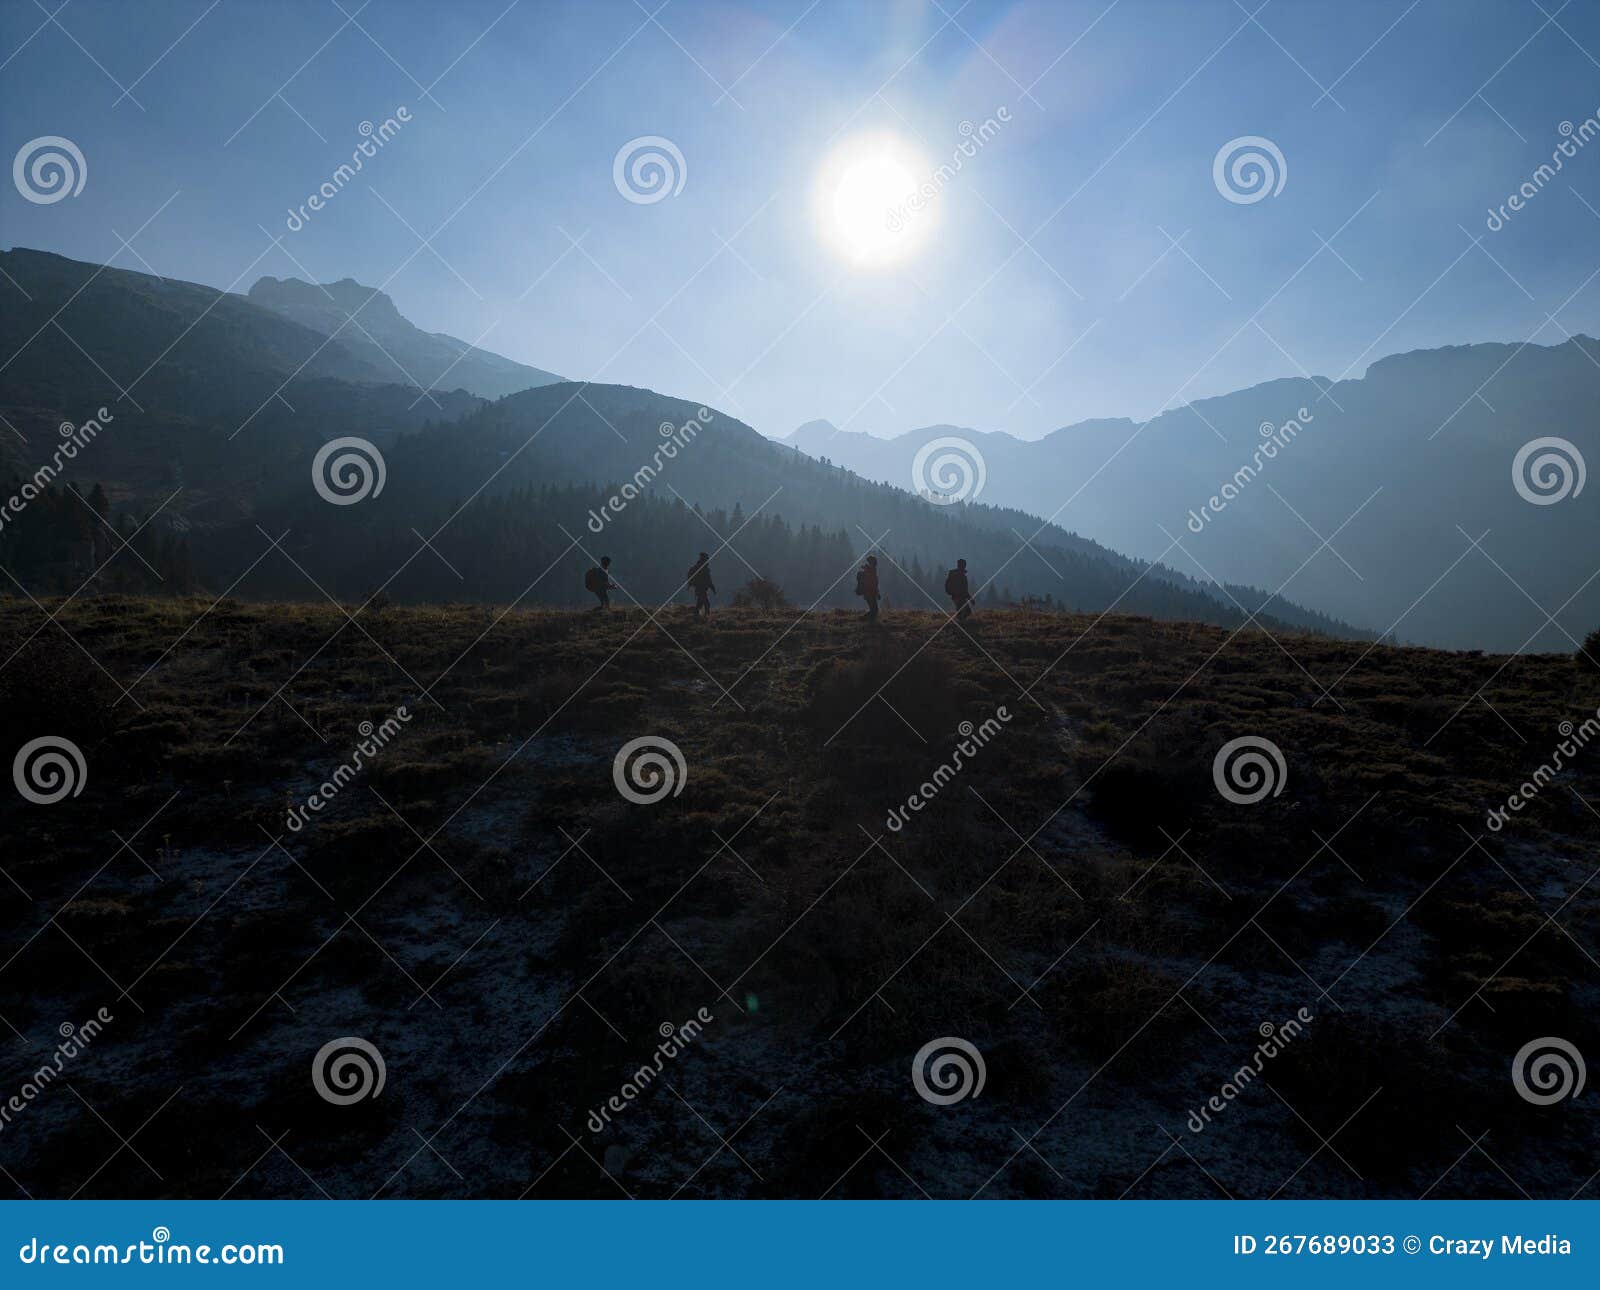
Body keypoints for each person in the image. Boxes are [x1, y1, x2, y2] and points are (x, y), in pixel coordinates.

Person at [686, 551, 716, 619]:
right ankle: (706, 617)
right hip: (701, 589)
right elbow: (708, 580)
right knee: (706, 603)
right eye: (706, 558)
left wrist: (712, 587)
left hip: (701, 589)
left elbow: (708, 580)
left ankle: (696, 616)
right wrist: (712, 587)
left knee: (700, 603)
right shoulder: (702, 568)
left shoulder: (701, 567)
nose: (708, 560)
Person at [945, 558, 973, 622]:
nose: (964, 566)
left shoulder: (956, 575)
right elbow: (963, 590)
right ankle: (960, 624)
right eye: (964, 565)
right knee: (964, 611)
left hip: (958, 597)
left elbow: (964, 590)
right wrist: (970, 599)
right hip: (959, 597)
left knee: (966, 611)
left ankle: (960, 623)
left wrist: (970, 599)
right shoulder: (958, 576)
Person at [855, 554, 880, 622]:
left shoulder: (870, 570)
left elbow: (874, 584)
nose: (875, 563)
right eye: (874, 562)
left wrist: (877, 593)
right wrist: (877, 593)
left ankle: (865, 620)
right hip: (870, 593)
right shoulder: (870, 571)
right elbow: (873, 584)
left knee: (874, 610)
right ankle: (864, 620)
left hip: (870, 593)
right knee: (874, 610)